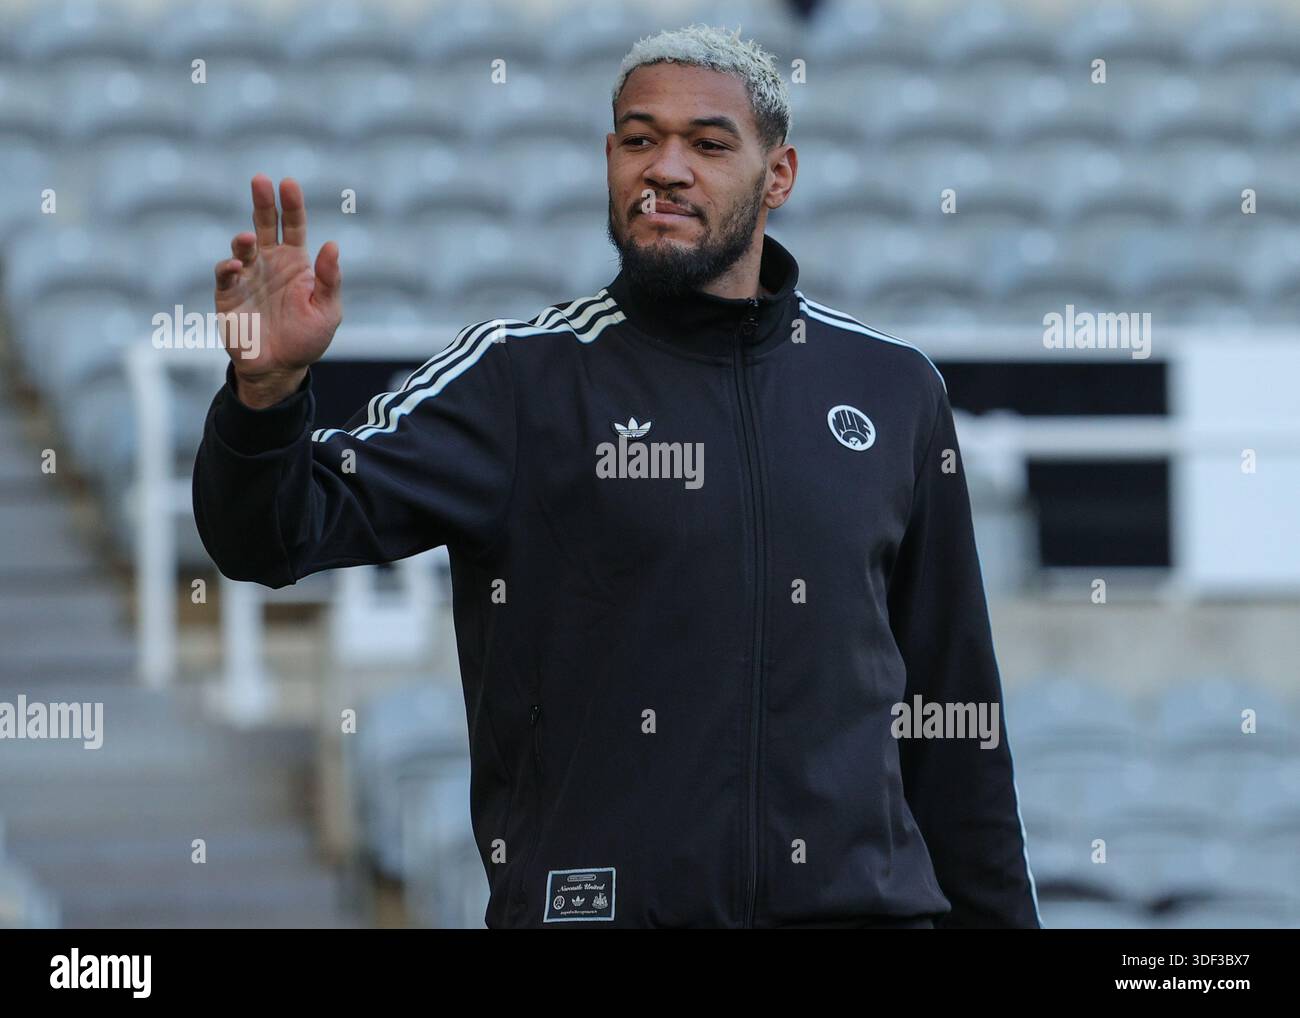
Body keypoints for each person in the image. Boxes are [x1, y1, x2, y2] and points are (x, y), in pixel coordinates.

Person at [194, 23, 1040, 929]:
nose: (666, 168)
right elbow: (273, 537)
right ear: (609, 159)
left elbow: (955, 717)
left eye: (708, 144)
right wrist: (268, 392)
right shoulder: (517, 381)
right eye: (640, 140)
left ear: (778, 176)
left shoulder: (892, 389)